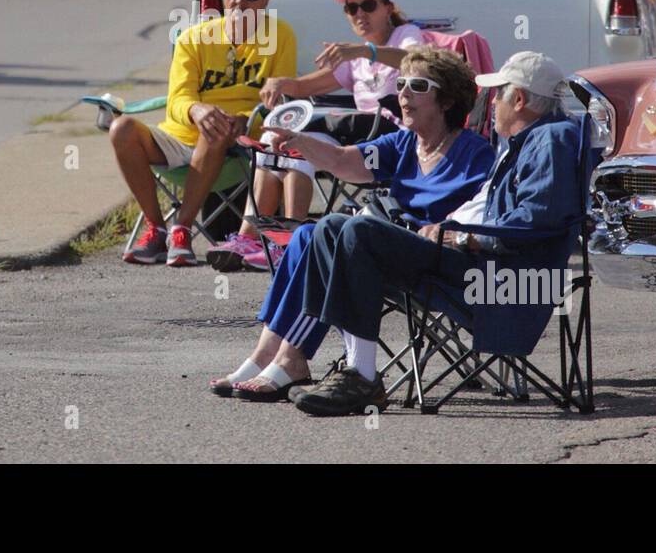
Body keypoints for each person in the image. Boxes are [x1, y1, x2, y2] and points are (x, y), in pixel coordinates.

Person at [290, 51, 583, 416]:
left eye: (498, 97)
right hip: (477, 259)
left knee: (362, 231)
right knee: (331, 228)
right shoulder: (526, 142)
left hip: (503, 277)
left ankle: (361, 378)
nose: (491, 107)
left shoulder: (552, 139)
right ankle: (358, 367)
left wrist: (459, 237)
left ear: (519, 100)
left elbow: (537, 219)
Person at [209, 47, 493, 400]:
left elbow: (485, 210)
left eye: (417, 86)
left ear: (448, 99)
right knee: (306, 236)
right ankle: (268, 354)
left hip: (436, 257)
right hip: (390, 249)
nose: (403, 94)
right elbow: (346, 162)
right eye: (401, 84)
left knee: (334, 229)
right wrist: (299, 142)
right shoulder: (405, 142)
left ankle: (294, 360)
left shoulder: (474, 152)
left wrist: (453, 230)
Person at [205, 0, 424, 272]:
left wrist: (363, 50)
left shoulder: (405, 35)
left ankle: (290, 242)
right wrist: (281, 83)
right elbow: (306, 87)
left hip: (393, 143)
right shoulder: (357, 57)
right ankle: (253, 238)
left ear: (388, 8)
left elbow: (416, 61)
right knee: (279, 142)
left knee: (300, 141)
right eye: (351, 8)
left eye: (368, 5)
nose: (360, 14)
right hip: (358, 139)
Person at [111, 0, 295, 268]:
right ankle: (156, 228)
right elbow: (177, 99)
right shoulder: (193, 38)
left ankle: (181, 229)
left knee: (217, 125)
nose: (240, 2)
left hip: (238, 144)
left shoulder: (281, 36)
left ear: (266, 0)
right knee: (121, 128)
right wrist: (197, 110)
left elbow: (279, 100)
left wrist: (248, 118)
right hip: (181, 137)